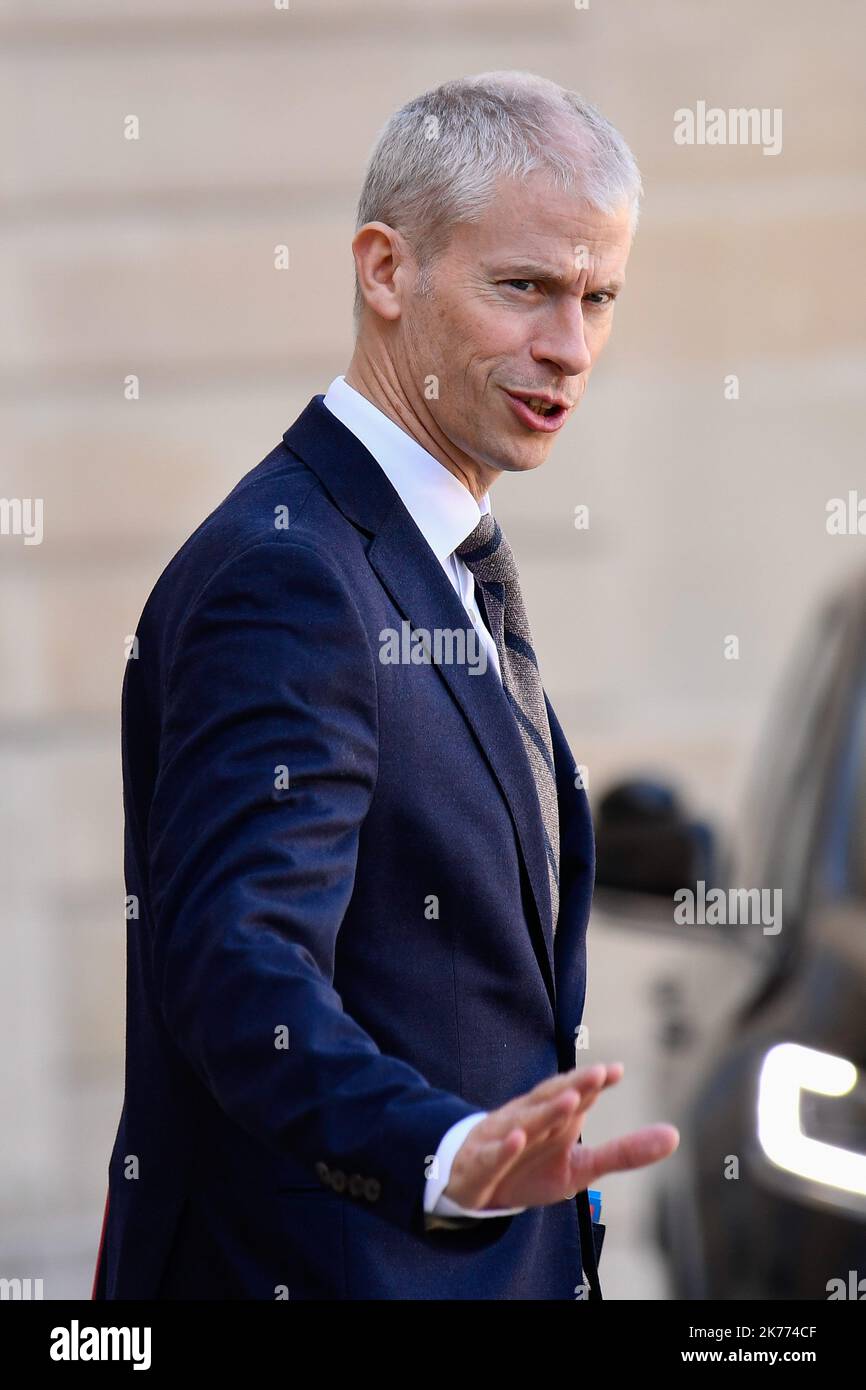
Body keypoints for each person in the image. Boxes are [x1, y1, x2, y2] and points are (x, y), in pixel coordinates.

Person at [92, 69, 678, 1302]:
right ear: (384, 270)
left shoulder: (428, 553)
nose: (567, 348)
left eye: (597, 296)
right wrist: (446, 1152)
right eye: (522, 287)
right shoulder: (291, 578)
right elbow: (238, 967)